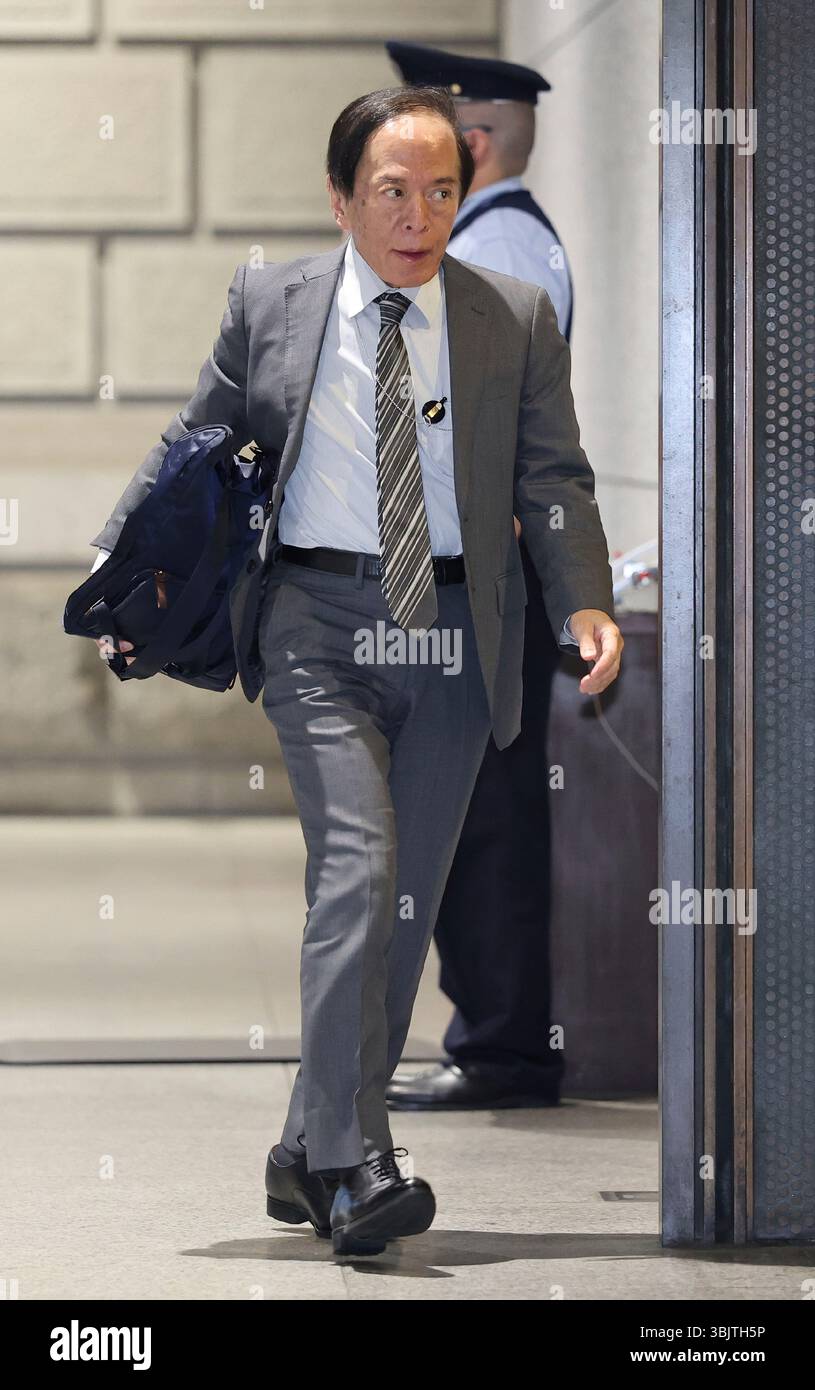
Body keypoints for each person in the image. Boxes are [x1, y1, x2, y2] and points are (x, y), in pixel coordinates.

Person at [88, 85, 622, 1256]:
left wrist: (583, 595)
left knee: (402, 903)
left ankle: (304, 1146)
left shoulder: (511, 317)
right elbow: (196, 441)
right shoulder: (270, 302)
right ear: (341, 198)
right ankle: (356, 1158)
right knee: (359, 868)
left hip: (449, 628)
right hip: (315, 620)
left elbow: (552, 477)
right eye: (392, 191)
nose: (418, 215)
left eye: (442, 190)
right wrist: (126, 574)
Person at [383, 43, 578, 1112]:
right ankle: (492, 1038)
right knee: (474, 810)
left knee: (488, 816)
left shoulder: (497, 250)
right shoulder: (495, 243)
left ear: (471, 140)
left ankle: (504, 1048)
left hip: (487, 578)